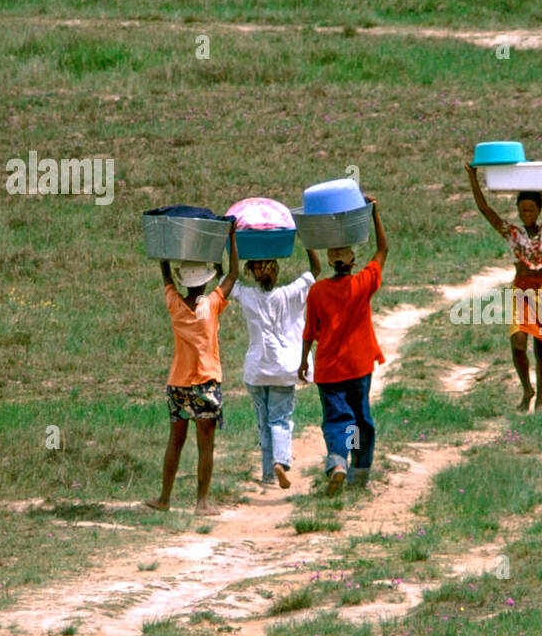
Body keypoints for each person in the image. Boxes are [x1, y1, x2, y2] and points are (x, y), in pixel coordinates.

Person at [467, 163, 542, 411]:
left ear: (539, 210)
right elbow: (484, 209)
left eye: (531, 209)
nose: (527, 213)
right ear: (519, 212)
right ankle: (527, 389)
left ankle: (541, 398)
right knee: (518, 342)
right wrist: (473, 177)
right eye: (523, 210)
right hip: (521, 290)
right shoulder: (512, 233)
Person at [298, 196, 389, 496]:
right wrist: (374, 213)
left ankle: (338, 460)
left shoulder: (317, 291)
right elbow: (382, 250)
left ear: (329, 261)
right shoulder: (363, 283)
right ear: (351, 260)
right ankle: (360, 471)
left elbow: (310, 331)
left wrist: (303, 362)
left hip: (328, 369)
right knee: (361, 418)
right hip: (359, 367)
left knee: (338, 419)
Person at [146, 221, 238, 516]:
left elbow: (165, 277)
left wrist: (164, 248)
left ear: (184, 280)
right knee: (205, 445)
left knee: (175, 441)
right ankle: (201, 502)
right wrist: (229, 239)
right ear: (206, 280)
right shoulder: (210, 305)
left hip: (178, 382)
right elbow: (232, 275)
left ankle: (164, 497)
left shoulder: (175, 304)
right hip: (205, 382)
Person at [229, 248, 321, 489]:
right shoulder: (290, 294)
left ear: (252, 273)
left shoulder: (247, 296)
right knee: (279, 419)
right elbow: (315, 271)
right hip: (285, 369)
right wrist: (308, 243)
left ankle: (268, 472)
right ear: (276, 270)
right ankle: (281, 461)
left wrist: (229, 244)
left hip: (256, 371)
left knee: (263, 421)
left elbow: (226, 279)